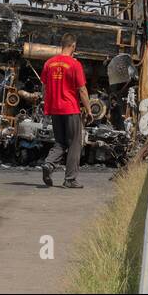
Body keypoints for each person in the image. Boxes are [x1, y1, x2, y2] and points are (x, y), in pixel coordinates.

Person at [40, 33, 90, 189]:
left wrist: (47, 103)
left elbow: (44, 87)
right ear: (73, 46)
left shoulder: (49, 63)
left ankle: (49, 164)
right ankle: (70, 179)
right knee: (75, 143)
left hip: (55, 109)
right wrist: (88, 109)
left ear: (62, 45)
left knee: (60, 142)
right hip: (70, 109)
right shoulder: (75, 65)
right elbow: (82, 90)